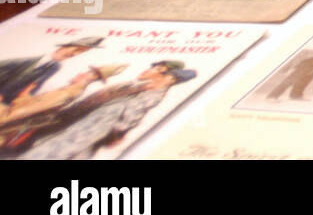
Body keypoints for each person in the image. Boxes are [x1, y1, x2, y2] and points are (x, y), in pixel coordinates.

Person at [17, 61, 195, 160]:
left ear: (168, 78)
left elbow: (75, 139)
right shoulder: (132, 86)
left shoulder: (143, 96)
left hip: (79, 135)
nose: (147, 70)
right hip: (65, 127)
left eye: (155, 69)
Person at [0, 37, 104, 106]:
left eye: (82, 52)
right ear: (64, 47)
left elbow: (35, 87)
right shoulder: (27, 61)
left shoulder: (55, 67)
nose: (75, 54)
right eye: (77, 49)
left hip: (11, 105)